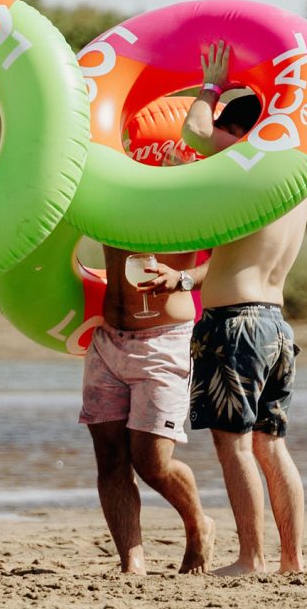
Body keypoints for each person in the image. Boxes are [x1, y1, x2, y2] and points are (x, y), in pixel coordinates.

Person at [180, 41, 307, 576]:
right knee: (271, 445)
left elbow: (192, 130)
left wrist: (210, 85)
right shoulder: (297, 179)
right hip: (277, 324)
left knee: (233, 446)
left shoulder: (246, 165)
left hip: (235, 325)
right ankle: (291, 559)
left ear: (237, 134)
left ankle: (251, 557)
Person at [80, 242, 216, 575]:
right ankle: (131, 562)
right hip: (108, 337)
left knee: (152, 460)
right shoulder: (113, 193)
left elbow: (229, 263)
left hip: (166, 340)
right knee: (109, 455)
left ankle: (199, 523)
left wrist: (182, 278)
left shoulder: (189, 200)